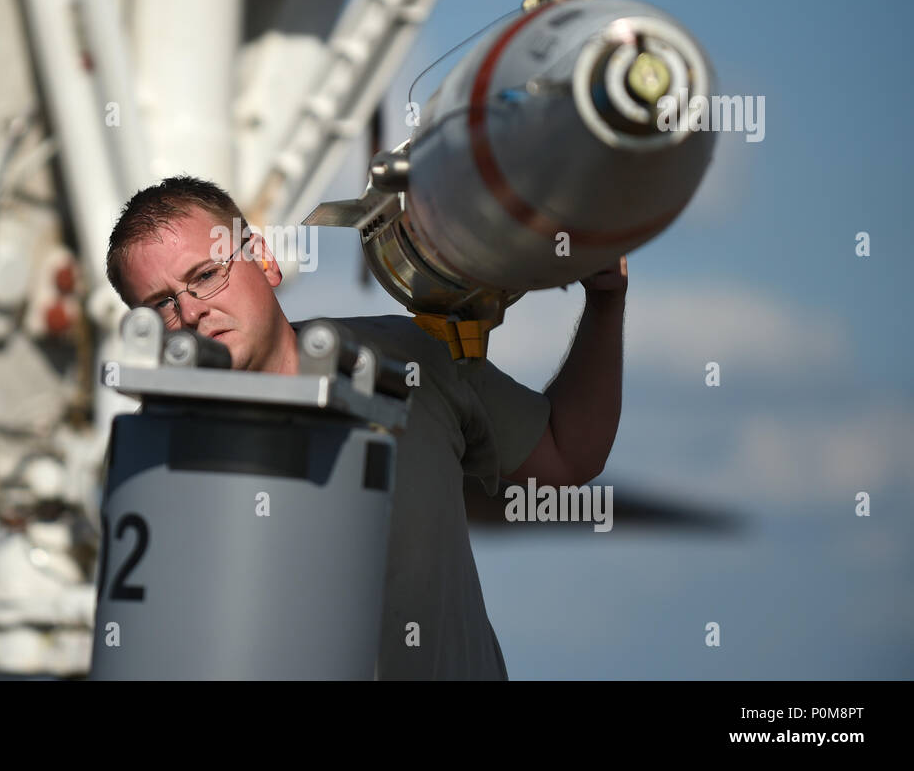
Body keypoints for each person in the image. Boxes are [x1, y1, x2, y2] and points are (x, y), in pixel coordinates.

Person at [104, 175, 627, 679]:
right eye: (161, 305)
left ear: (263, 259)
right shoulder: (156, 465)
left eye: (204, 275)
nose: (192, 311)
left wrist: (605, 301)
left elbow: (566, 456)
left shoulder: (407, 364)